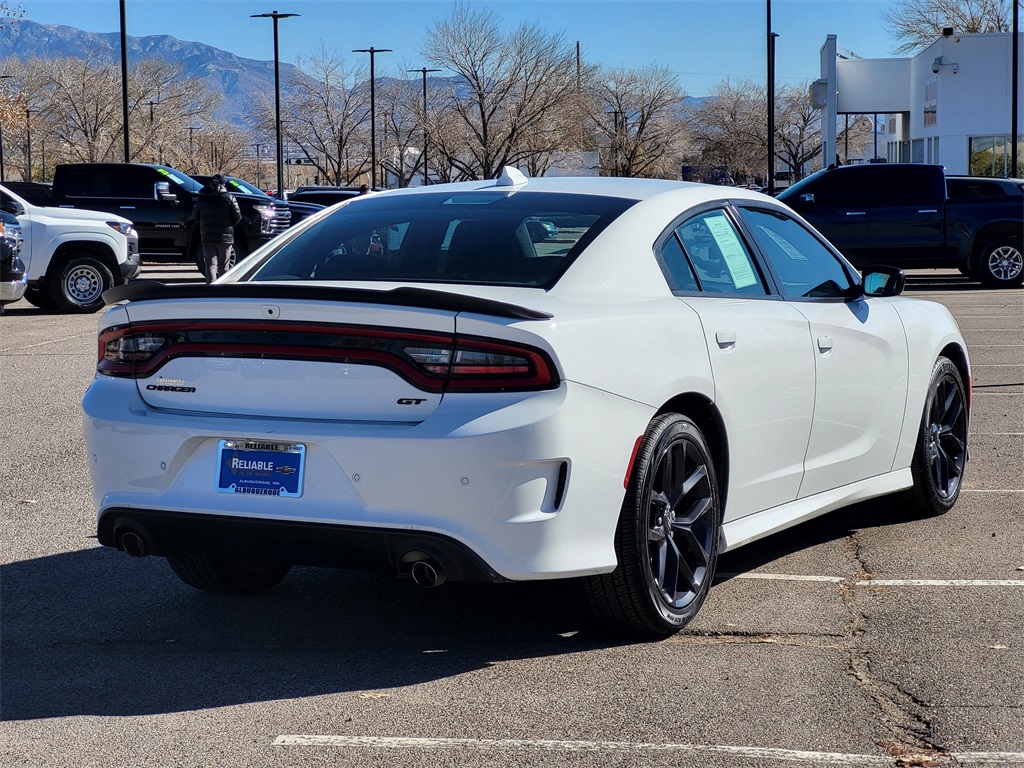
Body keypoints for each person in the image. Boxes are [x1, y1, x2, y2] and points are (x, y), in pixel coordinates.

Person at [190, 174, 242, 283]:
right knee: (224, 265)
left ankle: (211, 286)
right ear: (223, 184)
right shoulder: (229, 197)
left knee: (210, 263)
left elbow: (195, 216)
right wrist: (229, 225)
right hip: (225, 236)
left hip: (207, 235)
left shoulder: (202, 198)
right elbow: (238, 217)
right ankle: (224, 288)